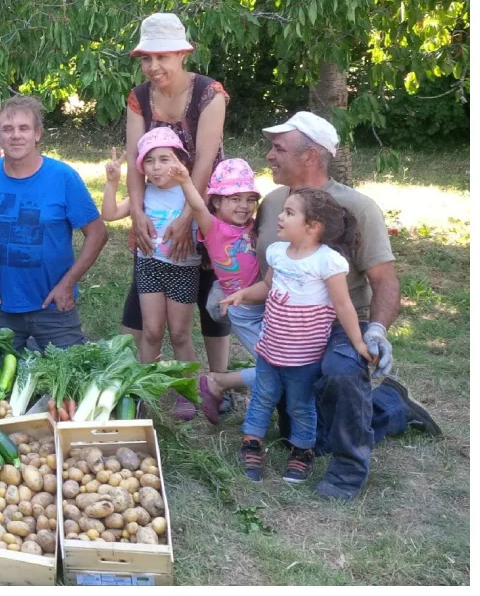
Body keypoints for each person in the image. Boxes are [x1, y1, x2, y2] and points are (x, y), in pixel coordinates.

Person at [198, 111, 441, 499]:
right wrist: (227, 290)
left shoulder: (358, 207)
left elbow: (384, 280)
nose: (269, 156)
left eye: (278, 148)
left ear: (310, 156)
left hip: (342, 324)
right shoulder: (275, 201)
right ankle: (391, 403)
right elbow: (256, 259)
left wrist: (375, 331)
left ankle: (348, 473)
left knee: (342, 371)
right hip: (287, 327)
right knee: (304, 435)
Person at [121, 13, 232, 419]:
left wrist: (189, 214)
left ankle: (218, 382)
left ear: (183, 54)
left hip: (206, 202)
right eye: (146, 58)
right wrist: (136, 211)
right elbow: (135, 159)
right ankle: (142, 382)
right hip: (156, 203)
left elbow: (204, 159)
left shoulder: (209, 93)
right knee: (152, 286)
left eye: (162, 57)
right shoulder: (139, 96)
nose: (153, 67)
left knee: (210, 296)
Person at [221, 189, 372, 483]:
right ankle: (251, 445)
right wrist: (243, 294)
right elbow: (266, 288)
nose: (279, 216)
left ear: (313, 226)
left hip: (304, 358)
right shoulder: (277, 252)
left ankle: (302, 452)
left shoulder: (327, 262)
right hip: (270, 350)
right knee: (261, 399)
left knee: (300, 406)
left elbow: (343, 305)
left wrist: (358, 342)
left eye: (289, 213)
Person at [0, 95, 107, 353]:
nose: (15, 136)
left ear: (38, 134)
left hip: (53, 304)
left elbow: (98, 233)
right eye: (7, 129)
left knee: (70, 381)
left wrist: (67, 283)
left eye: (24, 128)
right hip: (1, 306)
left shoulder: (63, 177)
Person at [165, 158, 265, 424]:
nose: (244, 206)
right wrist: (186, 180)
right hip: (242, 309)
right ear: (217, 202)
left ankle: (252, 393)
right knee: (276, 363)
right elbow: (198, 206)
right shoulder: (214, 228)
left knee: (278, 360)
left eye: (249, 198)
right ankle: (216, 383)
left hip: (266, 304)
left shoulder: (255, 226)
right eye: (235, 198)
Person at [103, 128, 202, 365]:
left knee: (179, 335)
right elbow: (109, 213)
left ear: (181, 161)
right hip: (149, 268)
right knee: (152, 332)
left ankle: (185, 395)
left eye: (164, 159)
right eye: (149, 161)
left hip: (183, 270)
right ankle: (146, 388)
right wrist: (112, 182)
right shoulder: (145, 193)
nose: (156, 167)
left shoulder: (190, 193)